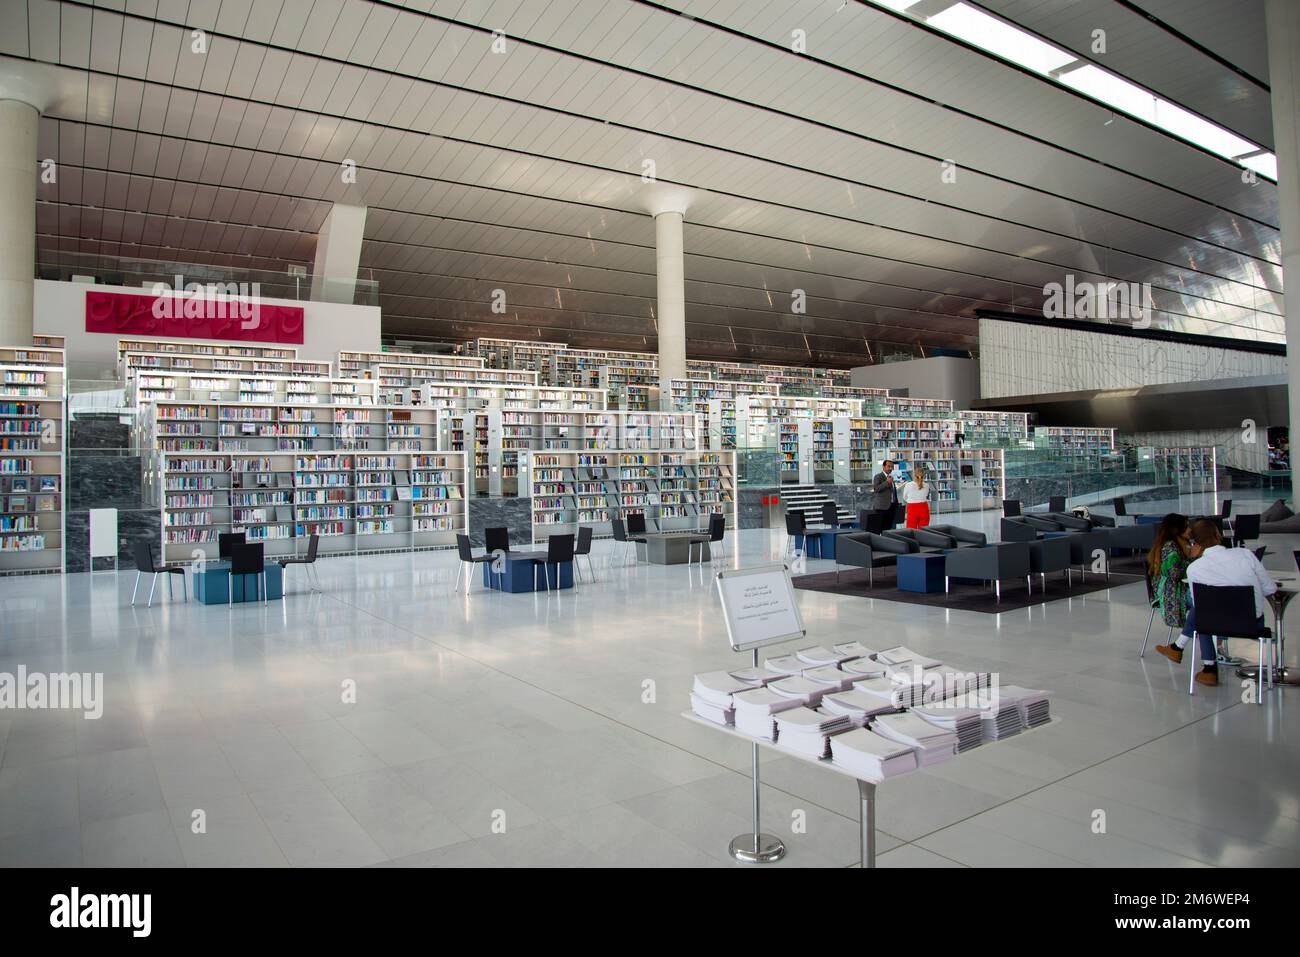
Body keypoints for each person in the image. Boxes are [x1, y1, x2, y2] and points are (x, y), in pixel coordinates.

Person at [1156, 519, 1275, 686]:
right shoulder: (1245, 555)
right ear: (1218, 535)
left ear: (1195, 543)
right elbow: (1270, 589)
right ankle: (1179, 649)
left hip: (1214, 625)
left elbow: (1199, 604)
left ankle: (1208, 669)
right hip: (1251, 625)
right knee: (1204, 613)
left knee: (1203, 612)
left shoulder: (1194, 569)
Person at [1147, 513, 1197, 635]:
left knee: (1207, 602)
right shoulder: (1170, 547)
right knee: (1206, 602)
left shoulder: (1180, 544)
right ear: (1177, 529)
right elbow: (1175, 574)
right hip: (1170, 593)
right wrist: (1192, 558)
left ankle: (1181, 644)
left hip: (1178, 589)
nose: (1190, 529)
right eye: (1186, 526)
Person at [870, 459, 900, 531]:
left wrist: (896, 503)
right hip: (882, 507)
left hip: (891, 506)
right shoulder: (878, 476)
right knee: (880, 528)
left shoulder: (891, 477)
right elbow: (876, 489)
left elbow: (893, 491)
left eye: (892, 467)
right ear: (883, 467)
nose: (890, 468)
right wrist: (887, 482)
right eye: (888, 466)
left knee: (889, 528)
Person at [902, 464, 931, 529]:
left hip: (912, 508)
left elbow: (904, 497)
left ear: (914, 475)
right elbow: (926, 496)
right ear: (924, 475)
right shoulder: (927, 485)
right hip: (924, 508)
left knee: (911, 530)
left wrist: (911, 500)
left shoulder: (908, 485)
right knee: (924, 530)